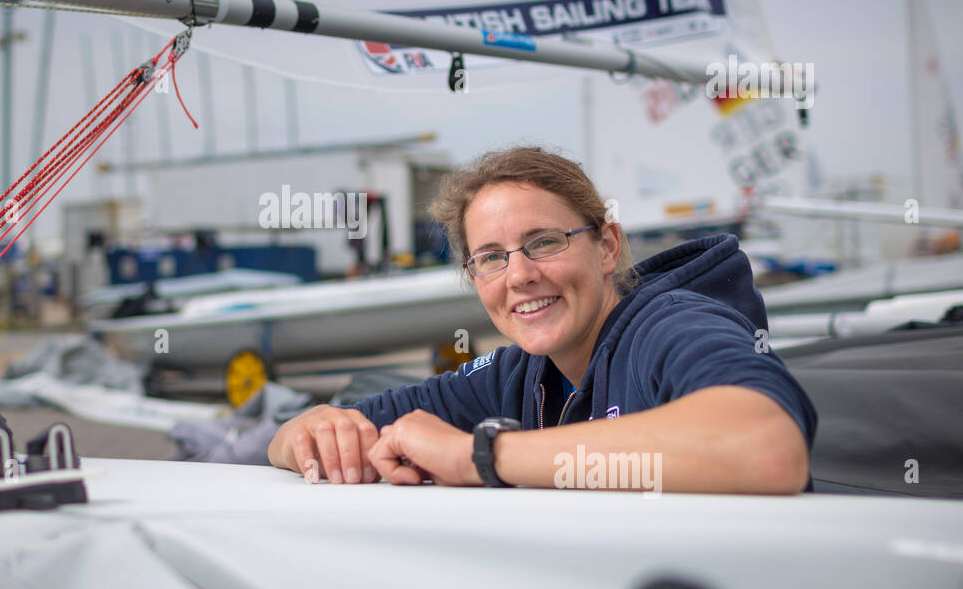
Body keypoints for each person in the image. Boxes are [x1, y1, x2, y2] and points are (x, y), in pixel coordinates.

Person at [267, 146, 817, 493]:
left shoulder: (670, 326)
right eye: (490, 258)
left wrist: (479, 456)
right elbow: (303, 435)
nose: (519, 275)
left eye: (545, 243)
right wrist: (309, 428)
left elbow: (767, 446)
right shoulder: (516, 376)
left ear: (606, 247)